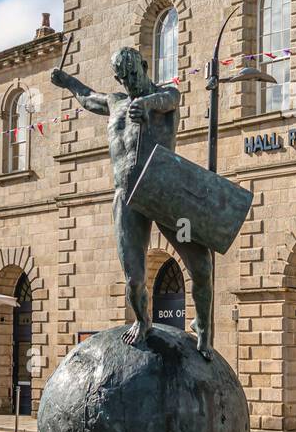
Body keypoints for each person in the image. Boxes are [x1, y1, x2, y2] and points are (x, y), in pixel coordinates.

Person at [51, 47, 216, 357]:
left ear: (144, 65)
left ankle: (204, 329)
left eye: (133, 74)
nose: (129, 82)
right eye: (123, 78)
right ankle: (143, 321)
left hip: (163, 190)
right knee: (134, 278)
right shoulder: (115, 102)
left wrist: (147, 105)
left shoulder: (165, 96)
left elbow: (170, 100)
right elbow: (88, 97)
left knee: (202, 265)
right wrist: (68, 82)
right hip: (126, 196)